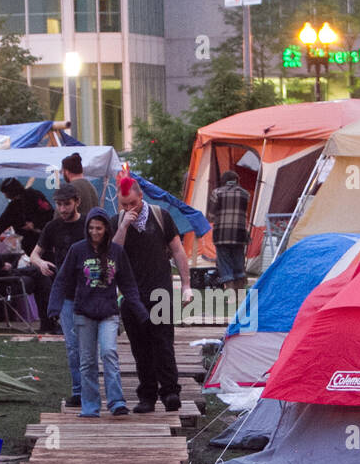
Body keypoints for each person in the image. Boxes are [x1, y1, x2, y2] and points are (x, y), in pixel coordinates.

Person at [48, 207, 148, 418]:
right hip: (83, 313)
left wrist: (139, 310)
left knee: (109, 353)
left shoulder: (116, 252)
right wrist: (54, 308)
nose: (95, 232)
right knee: (87, 361)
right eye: (91, 228)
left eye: (99, 228)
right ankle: (90, 406)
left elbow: (128, 284)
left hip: (109, 313)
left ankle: (117, 402)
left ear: (106, 230)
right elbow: (62, 279)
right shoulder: (77, 250)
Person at [112, 176, 194, 413]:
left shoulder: (160, 217)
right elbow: (114, 253)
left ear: (141, 197)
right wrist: (124, 225)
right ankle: (147, 395)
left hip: (160, 290)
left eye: (132, 204)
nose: (128, 209)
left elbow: (178, 251)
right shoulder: (117, 221)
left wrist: (186, 284)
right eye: (123, 205)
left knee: (163, 342)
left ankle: (170, 391)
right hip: (131, 294)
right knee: (139, 346)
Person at [29, 184, 87, 401]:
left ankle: (91, 388)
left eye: (67, 204)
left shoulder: (87, 225)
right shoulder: (52, 227)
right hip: (65, 293)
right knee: (72, 345)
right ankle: (78, 391)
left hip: (89, 292)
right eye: (59, 204)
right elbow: (34, 255)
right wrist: (41, 263)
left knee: (89, 345)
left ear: (77, 202)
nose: (63, 209)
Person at [207, 169, 252, 293]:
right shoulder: (245, 194)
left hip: (222, 234)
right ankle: (240, 291)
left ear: (223, 181)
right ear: (237, 180)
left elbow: (211, 214)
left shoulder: (217, 193)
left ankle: (230, 291)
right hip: (239, 235)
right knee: (238, 260)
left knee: (224, 261)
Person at [0, 177, 53, 257]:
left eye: (5, 193)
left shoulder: (34, 195)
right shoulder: (13, 206)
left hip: (45, 238)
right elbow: (2, 222)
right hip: (29, 243)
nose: (5, 196)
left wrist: (34, 224)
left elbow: (49, 212)